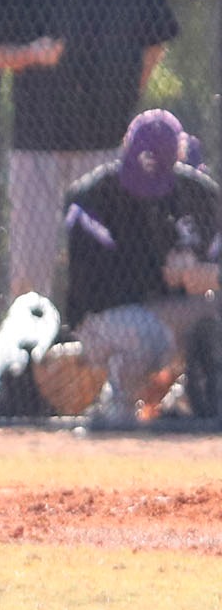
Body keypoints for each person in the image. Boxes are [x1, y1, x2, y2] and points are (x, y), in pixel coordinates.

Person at [0, 0, 180, 302]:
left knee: (103, 261)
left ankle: (99, 342)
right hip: (38, 140)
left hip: (104, 139)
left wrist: (128, 91)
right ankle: (29, 343)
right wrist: (32, 53)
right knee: (30, 267)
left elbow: (156, 38)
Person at [50, 110, 221, 426]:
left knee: (212, 312)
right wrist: (165, 275)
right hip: (103, 319)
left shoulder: (200, 195)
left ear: (178, 158)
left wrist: (205, 271)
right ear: (125, 146)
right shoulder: (92, 197)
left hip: (164, 310)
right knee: (146, 332)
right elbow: (90, 294)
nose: (143, 187)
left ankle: (187, 399)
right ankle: (118, 403)